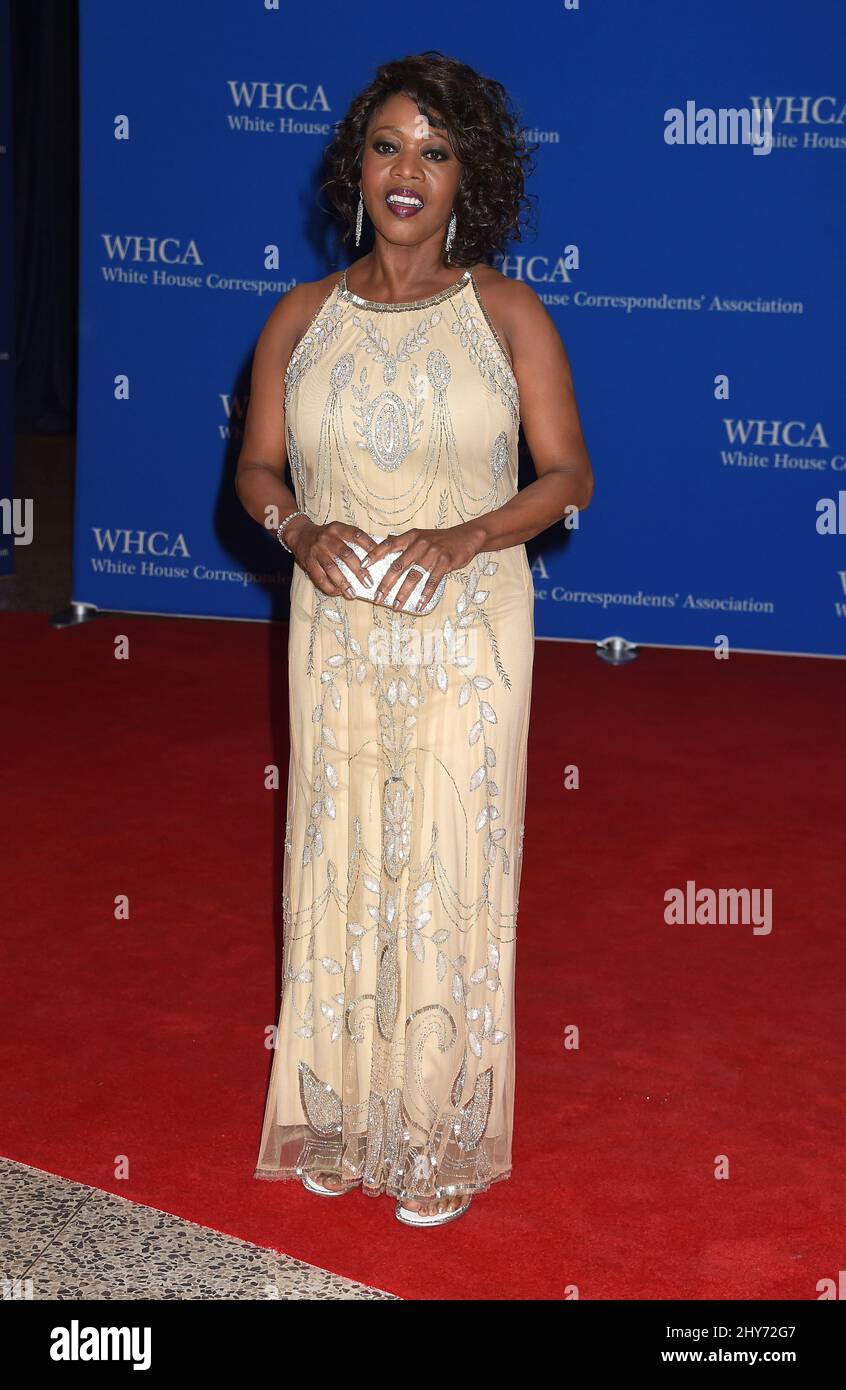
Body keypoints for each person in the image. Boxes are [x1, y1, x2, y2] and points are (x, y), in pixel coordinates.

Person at [236, 51, 593, 1227]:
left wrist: (467, 535)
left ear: (465, 181)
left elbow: (568, 477)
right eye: (389, 145)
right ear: (358, 166)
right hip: (336, 627)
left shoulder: (506, 312)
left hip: (464, 628)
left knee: (441, 865)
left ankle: (434, 1131)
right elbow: (255, 469)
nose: (408, 172)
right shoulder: (300, 316)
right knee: (339, 859)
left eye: (435, 153)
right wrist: (294, 526)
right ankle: (341, 1112)